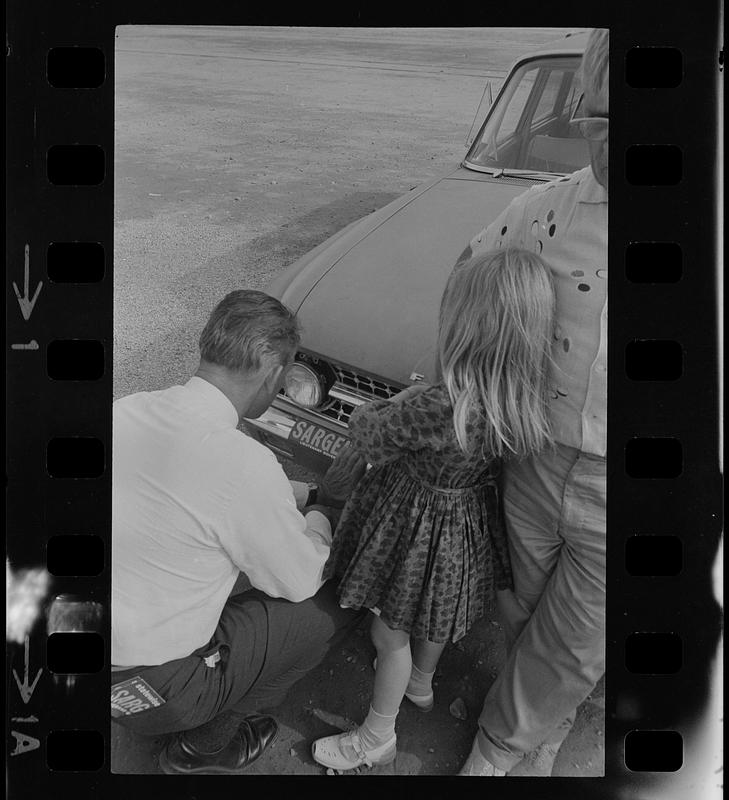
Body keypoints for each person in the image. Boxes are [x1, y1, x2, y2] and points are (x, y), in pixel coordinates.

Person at [310, 248, 557, 772]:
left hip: (412, 531)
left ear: (465, 326)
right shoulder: (519, 404)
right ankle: (421, 682)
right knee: (433, 616)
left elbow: (371, 436)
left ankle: (377, 735)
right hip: (461, 532)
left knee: (388, 632)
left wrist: (388, 403)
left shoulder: (440, 404)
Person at [111, 289, 365, 775]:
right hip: (153, 689)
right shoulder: (245, 465)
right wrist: (328, 506)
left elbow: (220, 495)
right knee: (333, 600)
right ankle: (203, 747)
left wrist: (307, 498)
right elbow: (299, 579)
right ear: (273, 376)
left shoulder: (126, 410)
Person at [457, 27, 609, 777]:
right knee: (520, 603)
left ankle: (500, 748)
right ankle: (539, 720)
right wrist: (486, 380)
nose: (614, 144)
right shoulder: (545, 208)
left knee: (579, 634)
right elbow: (468, 275)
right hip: (538, 455)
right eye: (601, 121)